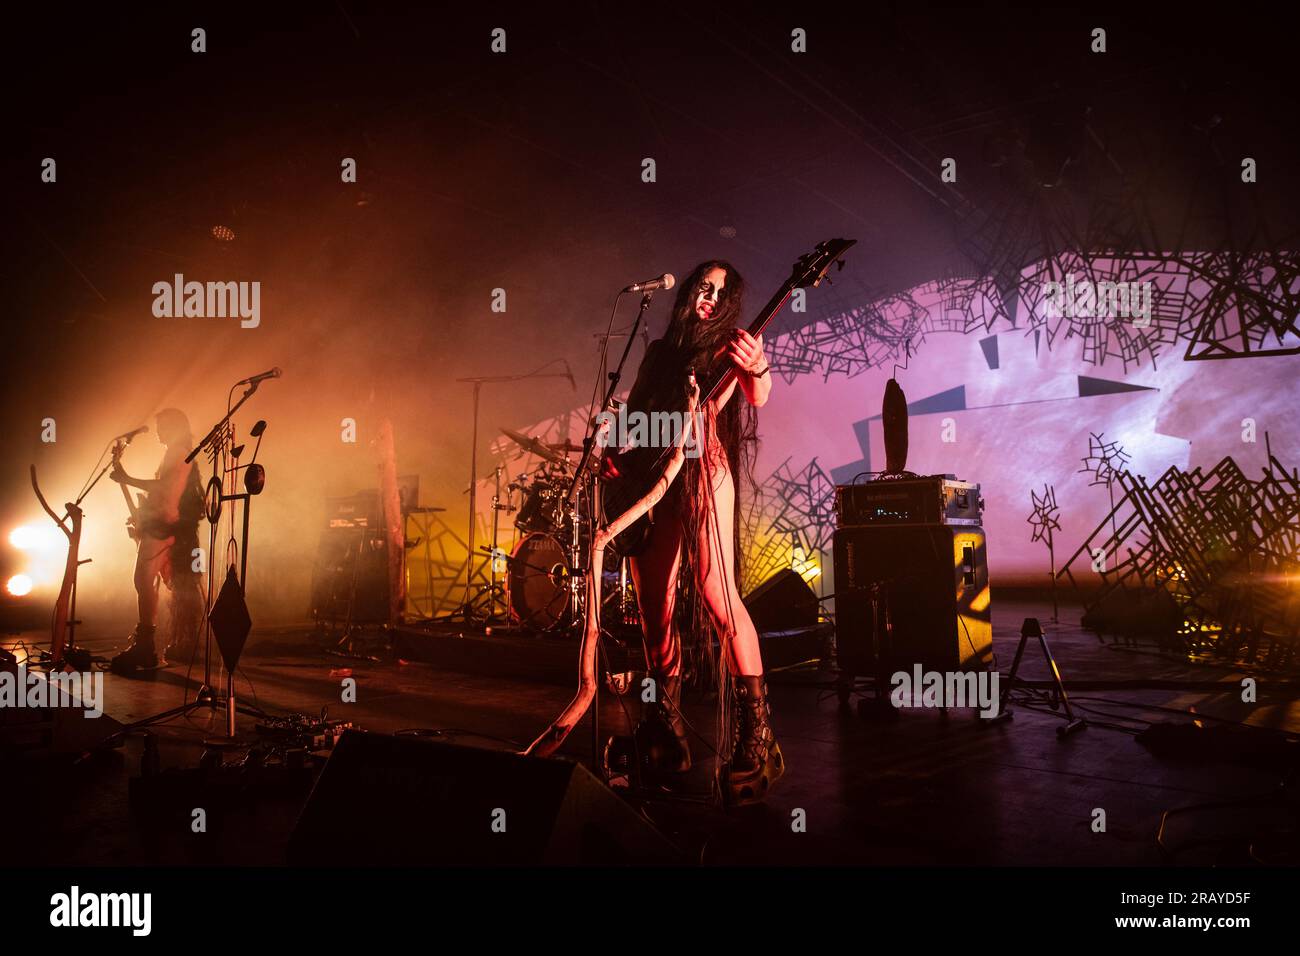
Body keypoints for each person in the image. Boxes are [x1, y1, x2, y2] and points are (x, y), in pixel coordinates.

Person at [616, 259, 784, 805]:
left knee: (718, 595)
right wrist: (616, 451)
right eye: (703, 287)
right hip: (652, 478)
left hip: (703, 474)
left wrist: (757, 366)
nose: (709, 296)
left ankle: (757, 738)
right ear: (689, 291)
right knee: (654, 608)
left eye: (720, 292)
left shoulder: (729, 347)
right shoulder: (660, 353)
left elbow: (758, 393)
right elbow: (635, 417)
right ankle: (666, 729)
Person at [108, 408, 205, 675]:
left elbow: (166, 488)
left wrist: (127, 479)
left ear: (174, 427)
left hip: (163, 527)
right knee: (153, 583)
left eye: (162, 426)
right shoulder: (178, 452)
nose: (158, 432)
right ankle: (154, 644)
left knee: (143, 579)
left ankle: (147, 646)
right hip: (165, 524)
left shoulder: (177, 452)